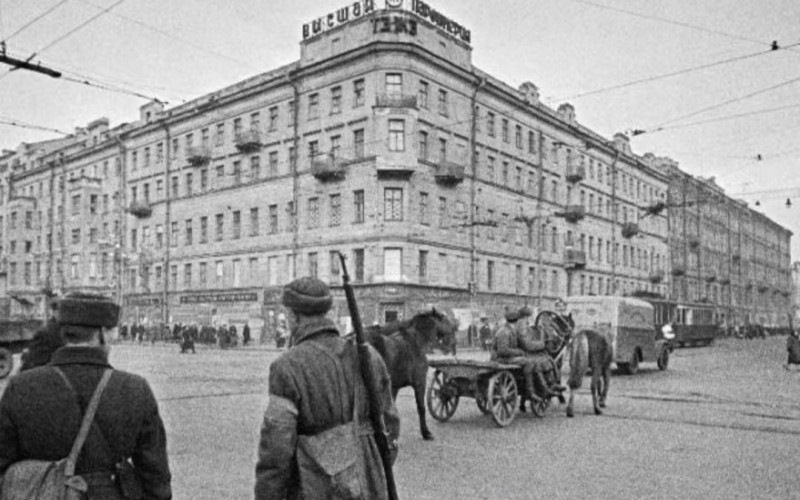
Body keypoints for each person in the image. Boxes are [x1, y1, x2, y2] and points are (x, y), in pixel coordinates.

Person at [0, 292, 172, 499]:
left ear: (64, 333)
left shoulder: (21, 387)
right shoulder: (135, 389)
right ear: (102, 334)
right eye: (111, 331)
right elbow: (156, 477)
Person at [255, 277, 399, 500]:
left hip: (315, 487)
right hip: (371, 482)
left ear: (293, 316)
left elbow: (276, 450)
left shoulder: (287, 367)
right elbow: (390, 422)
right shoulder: (369, 355)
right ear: (326, 312)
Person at [492, 308, 562, 404]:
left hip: (504, 357)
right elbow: (503, 350)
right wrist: (520, 352)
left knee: (534, 360)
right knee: (530, 362)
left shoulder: (508, 329)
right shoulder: (505, 331)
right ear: (516, 320)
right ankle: (531, 391)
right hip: (502, 359)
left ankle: (545, 386)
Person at [19, 297, 64, 371]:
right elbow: (33, 362)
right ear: (54, 312)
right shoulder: (45, 333)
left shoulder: (72, 330)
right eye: (61, 311)